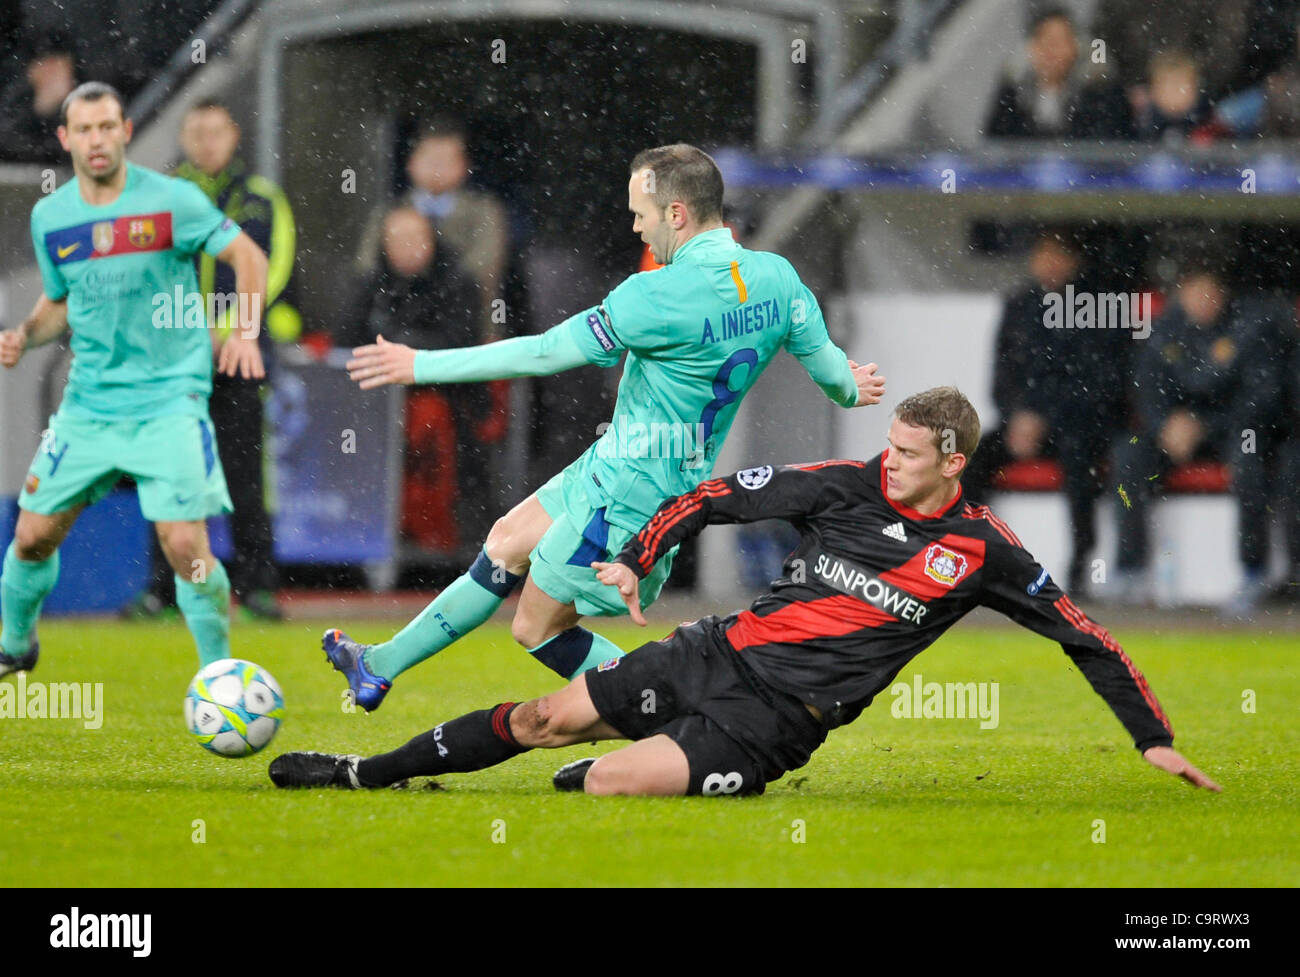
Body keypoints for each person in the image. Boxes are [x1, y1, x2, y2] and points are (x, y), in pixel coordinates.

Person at [269, 387, 1219, 797]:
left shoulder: (984, 551)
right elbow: (714, 495)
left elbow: (1085, 634)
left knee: (602, 780)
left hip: (775, 722)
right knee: (539, 721)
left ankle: (644, 763)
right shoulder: (847, 485)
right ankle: (359, 771)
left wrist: (1154, 738)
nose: (886, 459)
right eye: (886, 442)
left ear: (954, 464)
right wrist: (642, 558)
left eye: (905, 452)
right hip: (711, 651)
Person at [326, 143, 886, 711]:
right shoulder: (778, 279)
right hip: (638, 469)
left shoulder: (654, 296)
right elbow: (838, 381)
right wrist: (852, 384)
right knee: (504, 544)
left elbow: (544, 353)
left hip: (628, 490)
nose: (637, 226)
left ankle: (688, 709)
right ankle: (377, 667)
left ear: (676, 214)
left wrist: (421, 364)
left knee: (535, 628)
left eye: (642, 213)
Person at [0, 82, 267, 676]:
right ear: (66, 138)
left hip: (170, 398)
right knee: (31, 537)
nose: (96, 140)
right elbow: (60, 302)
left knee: (185, 549)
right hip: (88, 405)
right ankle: (15, 647)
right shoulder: (52, 217)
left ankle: (221, 677)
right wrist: (25, 333)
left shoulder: (173, 201)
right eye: (84, 130)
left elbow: (249, 257)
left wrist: (244, 330)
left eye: (107, 127)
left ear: (125, 132)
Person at [122, 97, 297, 622]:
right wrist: (194, 331)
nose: (206, 142)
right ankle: (167, 590)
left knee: (244, 476)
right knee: (173, 477)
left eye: (215, 131)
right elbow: (146, 272)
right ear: (184, 137)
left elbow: (274, 266)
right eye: (196, 132)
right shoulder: (162, 197)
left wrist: (231, 330)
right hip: (177, 361)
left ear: (234, 135)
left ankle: (256, 588)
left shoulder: (261, 199)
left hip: (240, 359)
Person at [1110, 261, 1288, 615]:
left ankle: (1253, 571)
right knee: (1128, 455)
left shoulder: (1253, 325)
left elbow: (1263, 396)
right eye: (1193, 291)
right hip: (1175, 433)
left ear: (1223, 293)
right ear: (1180, 294)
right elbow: (1146, 388)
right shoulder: (1164, 329)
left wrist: (1205, 424)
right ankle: (1129, 571)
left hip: (1237, 430)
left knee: (1248, 458)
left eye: (1209, 291)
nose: (1202, 300)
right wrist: (1164, 424)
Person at [961, 228, 1129, 595]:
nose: (1048, 264)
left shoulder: (1098, 307)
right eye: (1042, 255)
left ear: (1075, 261)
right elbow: (1002, 378)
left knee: (1079, 459)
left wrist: (1044, 416)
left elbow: (1099, 384)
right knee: (968, 458)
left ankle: (1080, 565)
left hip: (1080, 425)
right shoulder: (1019, 305)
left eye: (1058, 255)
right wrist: (1017, 417)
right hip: (1022, 425)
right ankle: (966, 558)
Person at [341, 207, 494, 554]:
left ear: (431, 241)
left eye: (415, 239)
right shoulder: (369, 285)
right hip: (374, 412)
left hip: (451, 408)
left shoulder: (458, 283)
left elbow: (462, 345)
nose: (407, 248)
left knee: (429, 417)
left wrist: (405, 354)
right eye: (397, 240)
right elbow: (346, 341)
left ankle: (439, 541)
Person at [983, 6, 1132, 141]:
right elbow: (997, 145)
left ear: (1075, 47)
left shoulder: (1100, 91)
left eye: (1058, 42)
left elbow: (1109, 146)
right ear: (1032, 48)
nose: (1050, 52)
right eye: (1044, 42)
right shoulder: (1013, 92)